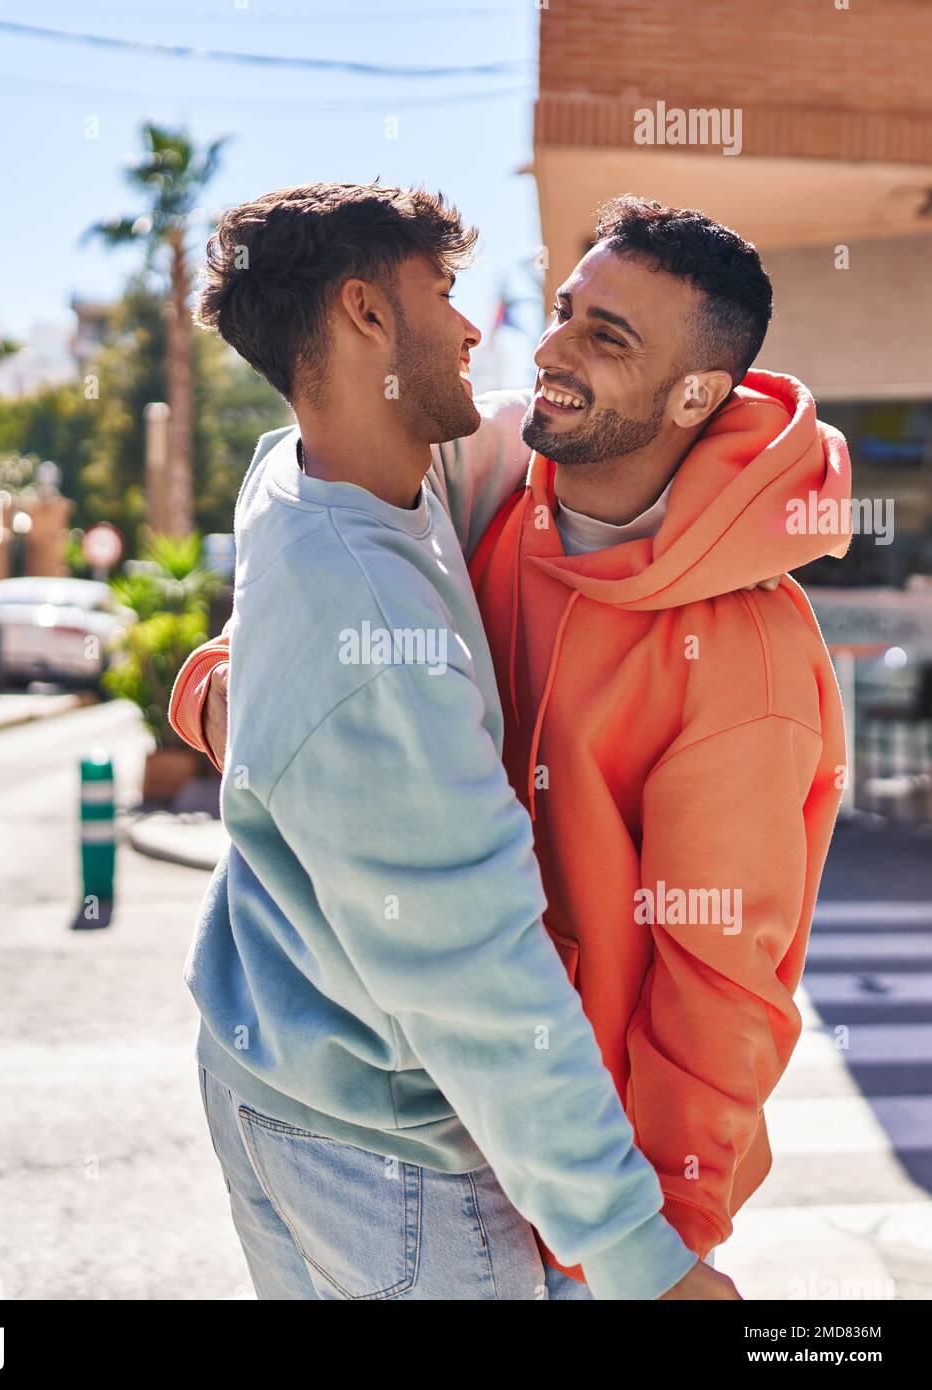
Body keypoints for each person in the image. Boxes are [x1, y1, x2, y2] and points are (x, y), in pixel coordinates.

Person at [174, 194, 851, 1299]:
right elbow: (319, 529)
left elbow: (720, 987)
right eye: (563, 311)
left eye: (605, 336)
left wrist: (648, 1248)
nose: (547, 350)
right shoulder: (489, 473)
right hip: (389, 1119)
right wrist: (228, 694)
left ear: (694, 394)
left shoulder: (742, 659)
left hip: (554, 1180)